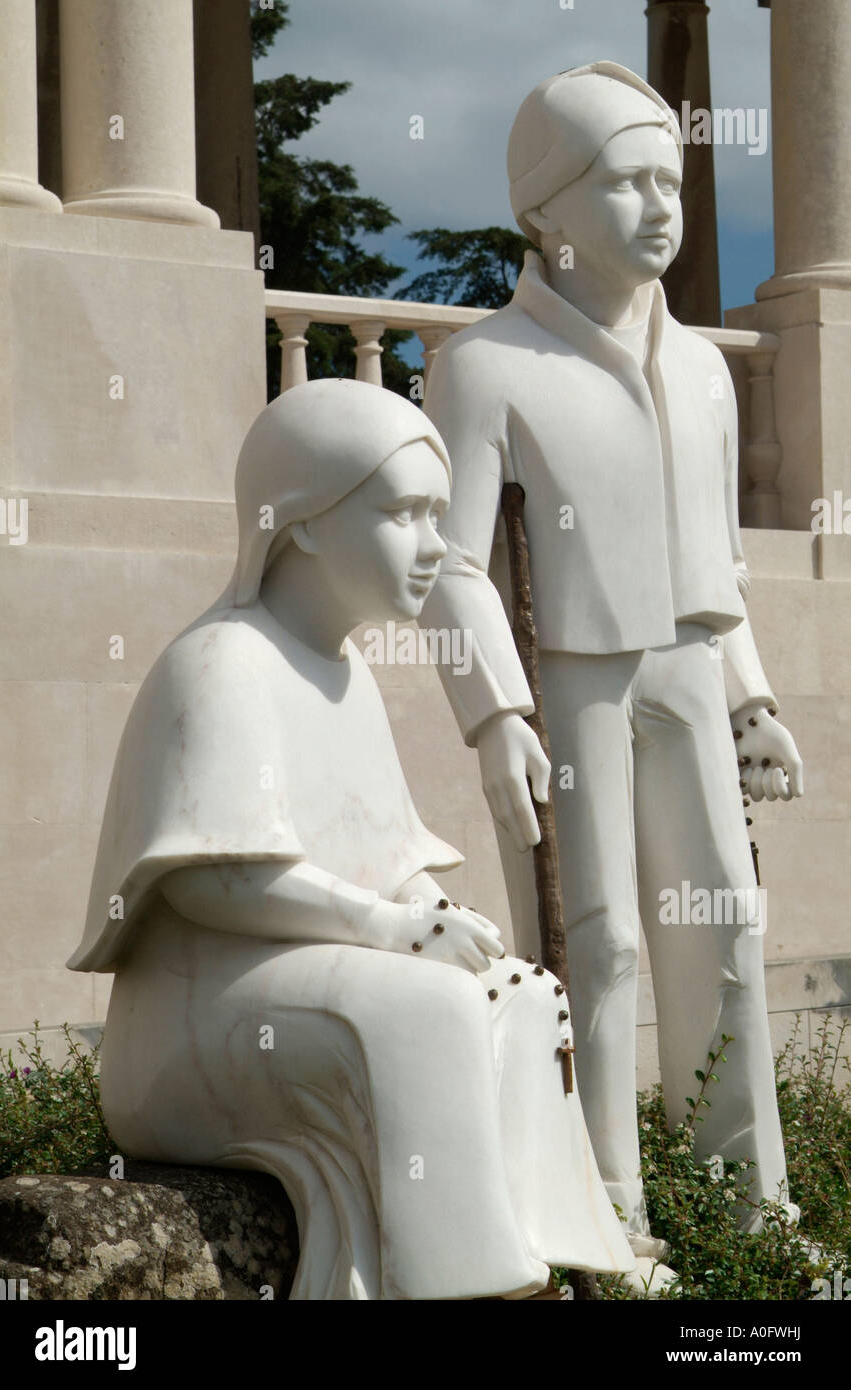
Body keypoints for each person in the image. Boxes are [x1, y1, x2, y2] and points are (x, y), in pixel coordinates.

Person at [67, 377, 634, 1301]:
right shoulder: (222, 664)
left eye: (437, 516)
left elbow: (389, 860)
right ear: (302, 522)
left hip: (307, 977)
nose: (435, 549)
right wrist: (394, 930)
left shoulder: (348, 677)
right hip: (197, 1018)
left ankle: (547, 1256)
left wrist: (433, 917)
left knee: (521, 993)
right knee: (430, 1010)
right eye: (404, 514)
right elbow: (221, 885)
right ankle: (467, 1285)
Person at [421, 62, 804, 1288]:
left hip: (689, 670)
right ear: (547, 205)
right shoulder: (485, 366)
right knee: (595, 940)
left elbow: (723, 565)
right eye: (625, 182)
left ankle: (741, 1200)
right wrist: (494, 712)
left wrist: (749, 695)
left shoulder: (702, 371)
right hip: (571, 685)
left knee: (726, 927)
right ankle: (604, 1208)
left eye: (670, 182)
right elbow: (448, 568)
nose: (659, 208)